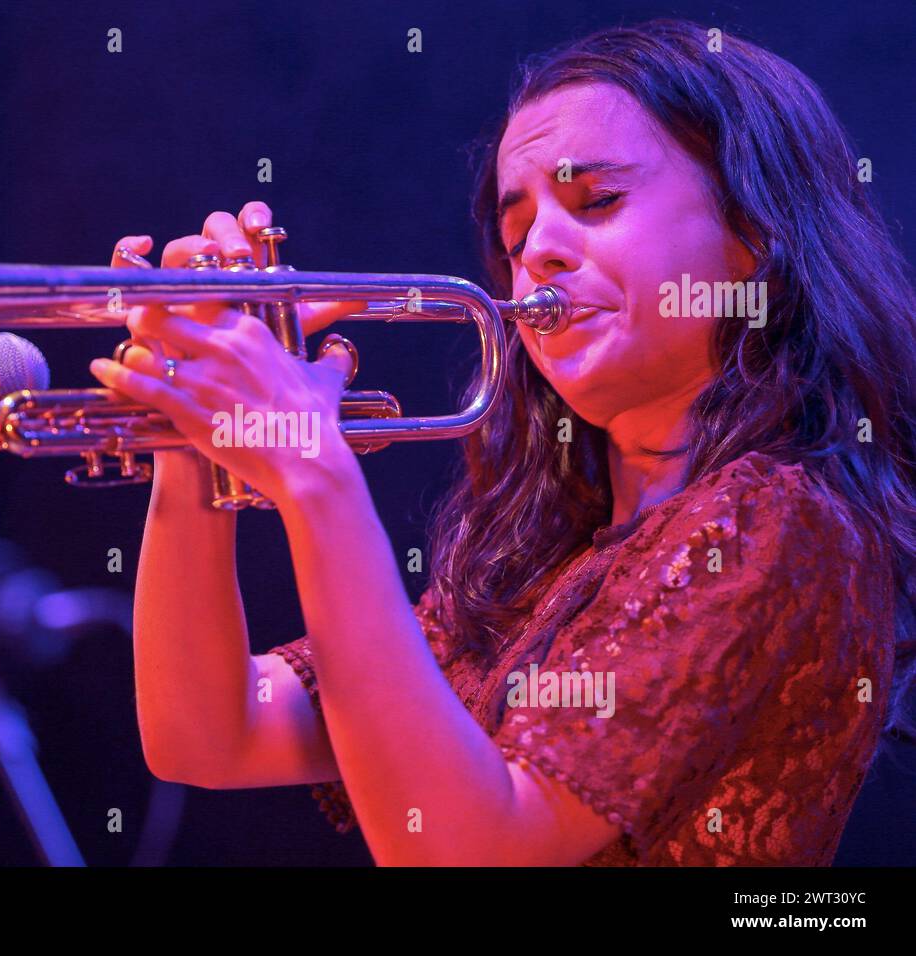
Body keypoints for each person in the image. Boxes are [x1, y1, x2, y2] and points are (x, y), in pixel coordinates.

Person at [88, 19, 915, 865]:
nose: (540, 254)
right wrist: (189, 420)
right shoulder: (548, 564)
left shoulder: (774, 518)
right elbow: (209, 734)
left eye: (598, 201)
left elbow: (469, 850)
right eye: (516, 241)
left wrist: (313, 471)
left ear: (752, 238)